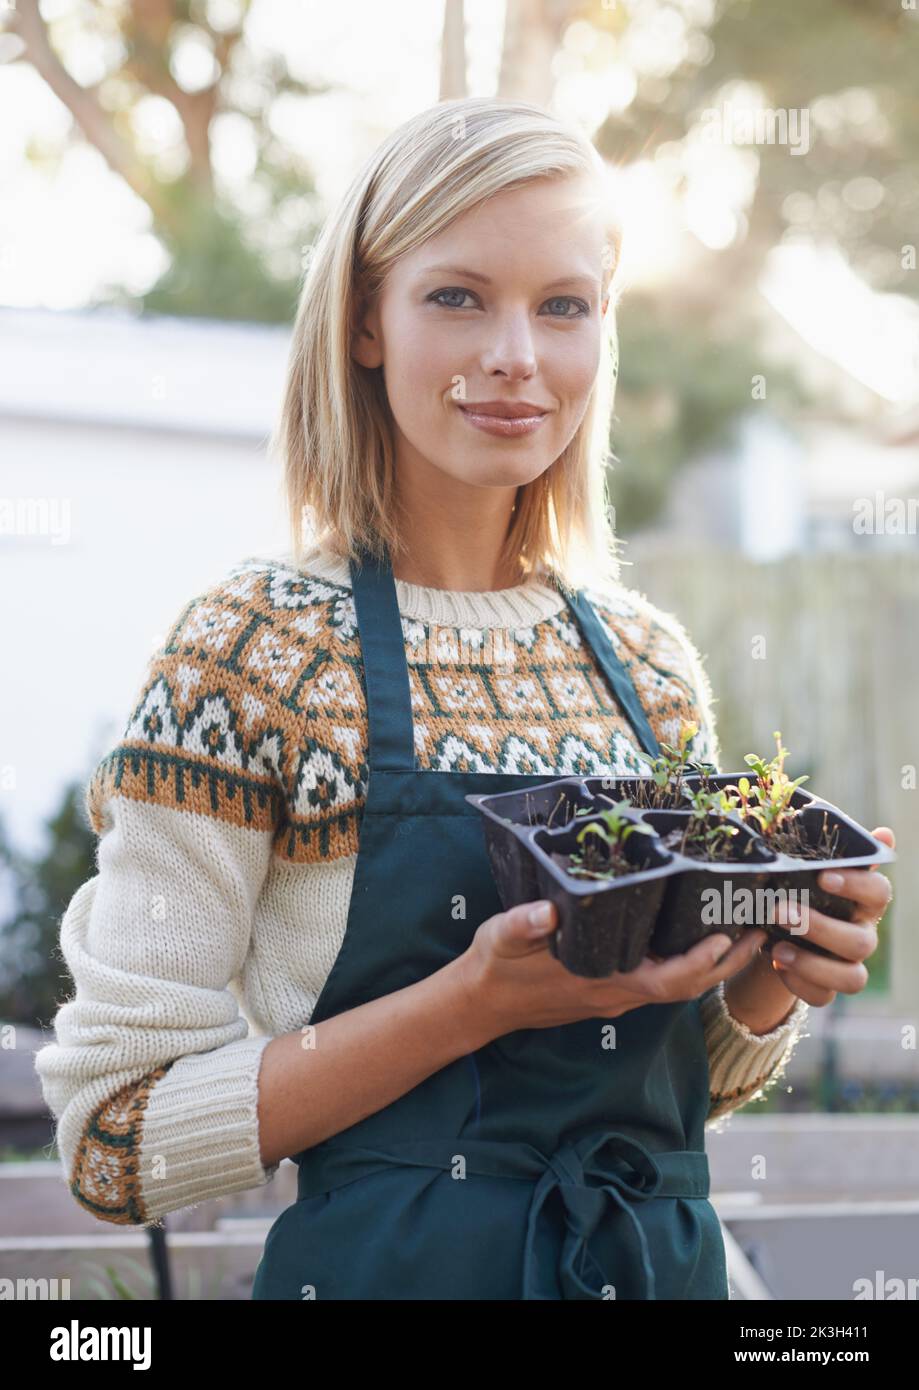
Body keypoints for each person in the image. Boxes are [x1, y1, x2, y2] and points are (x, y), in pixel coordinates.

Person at [35, 97, 894, 1300]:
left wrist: (771, 973)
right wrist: (469, 1004)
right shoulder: (256, 653)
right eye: (457, 296)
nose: (517, 357)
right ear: (365, 323)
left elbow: (670, 1076)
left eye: (563, 306)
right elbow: (117, 1137)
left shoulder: (644, 665)